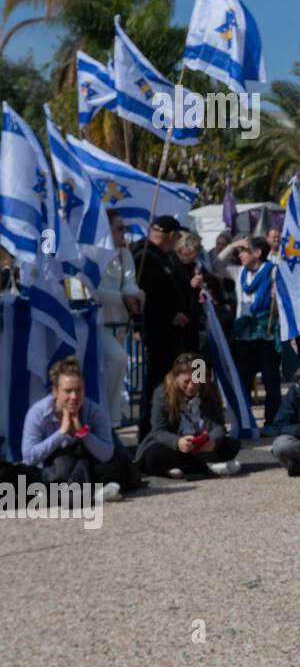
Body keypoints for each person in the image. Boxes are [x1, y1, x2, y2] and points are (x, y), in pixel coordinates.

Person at [22, 357, 139, 499]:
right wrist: (60, 433)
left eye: (78, 390)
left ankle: (76, 493)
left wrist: (83, 433)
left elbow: (107, 454)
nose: (74, 396)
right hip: (53, 468)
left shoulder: (94, 411)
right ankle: (85, 494)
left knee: (114, 468)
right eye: (68, 391)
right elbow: (29, 457)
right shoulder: (38, 413)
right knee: (58, 468)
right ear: (55, 391)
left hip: (88, 461)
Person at [136, 353, 242, 477]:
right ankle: (205, 468)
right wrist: (177, 442)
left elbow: (219, 426)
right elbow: (158, 431)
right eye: (186, 381)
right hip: (175, 446)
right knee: (155, 456)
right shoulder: (161, 394)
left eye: (196, 381)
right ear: (176, 378)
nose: (191, 386)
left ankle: (184, 467)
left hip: (201, 445)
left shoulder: (209, 390)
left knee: (232, 445)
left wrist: (213, 440)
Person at [133, 215, 189, 438]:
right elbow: (149, 296)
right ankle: (152, 429)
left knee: (188, 374)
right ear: (172, 235)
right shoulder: (145, 256)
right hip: (159, 332)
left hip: (179, 333)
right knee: (159, 382)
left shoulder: (166, 258)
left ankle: (174, 423)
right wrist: (170, 315)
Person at [88, 209, 144, 428]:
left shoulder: (124, 254)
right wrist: (123, 297)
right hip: (96, 323)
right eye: (120, 228)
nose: (124, 233)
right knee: (118, 359)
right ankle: (105, 420)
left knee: (116, 373)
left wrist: (136, 294)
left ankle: (112, 423)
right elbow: (90, 290)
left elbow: (129, 281)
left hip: (119, 325)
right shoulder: (89, 252)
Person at [232, 235, 281, 425]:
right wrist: (233, 244)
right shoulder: (240, 273)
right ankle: (245, 422)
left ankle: (272, 422)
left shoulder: (273, 272)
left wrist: (279, 296)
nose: (240, 254)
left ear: (258, 253)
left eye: (244, 250)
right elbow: (217, 264)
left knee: (271, 382)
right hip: (244, 336)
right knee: (244, 381)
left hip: (266, 335)